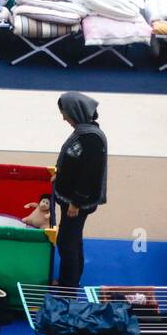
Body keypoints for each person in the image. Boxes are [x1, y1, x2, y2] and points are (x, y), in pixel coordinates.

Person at [52, 92, 107, 289]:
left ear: (75, 112)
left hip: (76, 204)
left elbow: (88, 174)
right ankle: (71, 281)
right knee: (73, 240)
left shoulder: (91, 139)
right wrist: (61, 175)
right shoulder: (85, 132)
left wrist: (76, 201)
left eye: (65, 113)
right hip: (73, 201)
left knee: (67, 243)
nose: (64, 117)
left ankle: (68, 287)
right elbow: (76, 162)